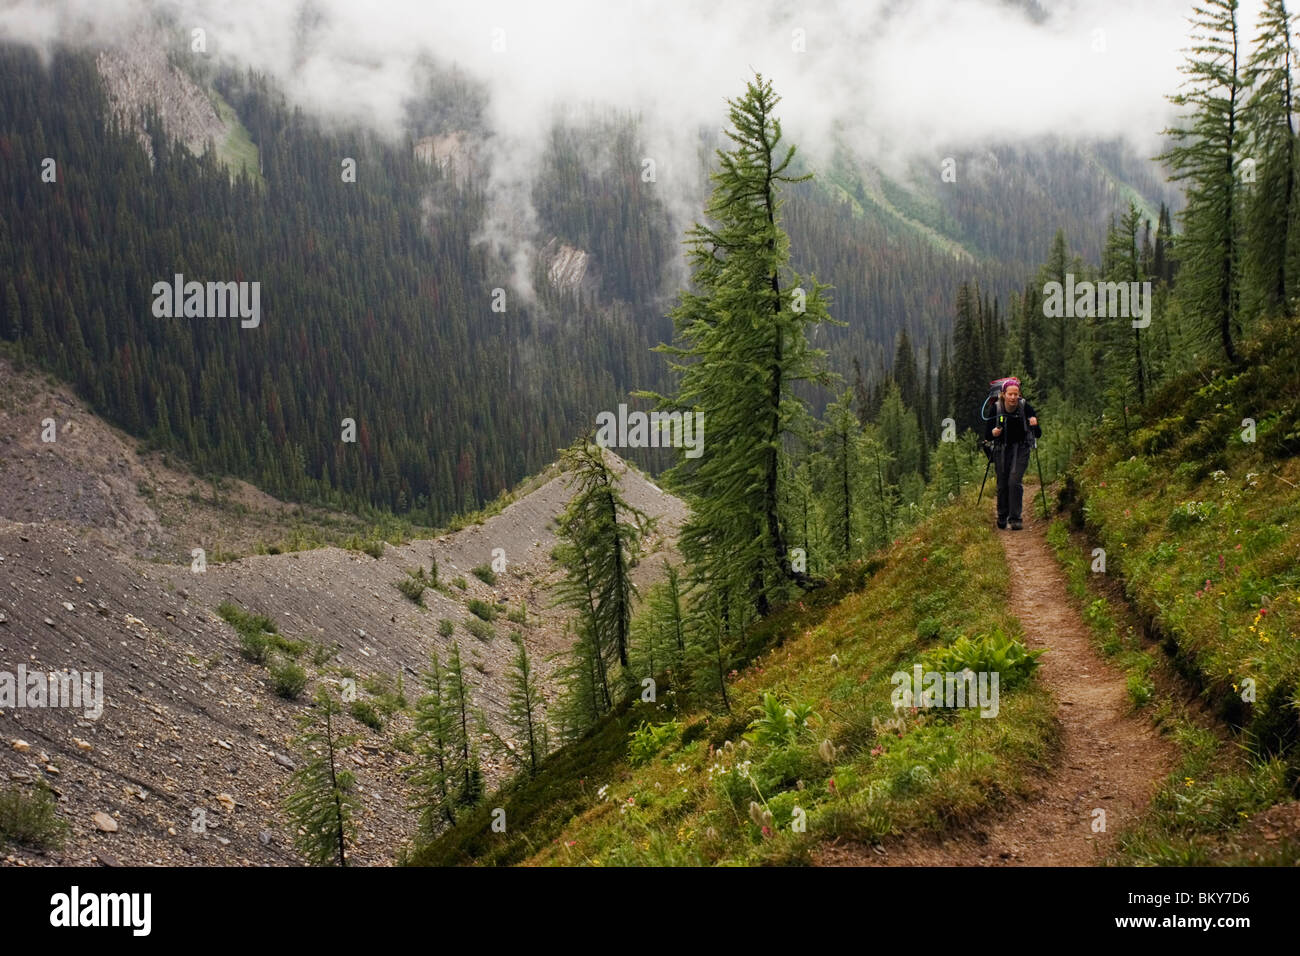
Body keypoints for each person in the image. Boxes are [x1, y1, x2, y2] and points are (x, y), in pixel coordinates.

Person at [982, 378, 1041, 530]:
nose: (1013, 397)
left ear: (1019, 394)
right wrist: (993, 433)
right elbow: (987, 436)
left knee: (1014, 481)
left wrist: (1035, 424)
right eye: (1010, 394)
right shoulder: (996, 409)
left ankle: (1015, 518)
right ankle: (1002, 516)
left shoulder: (1025, 407)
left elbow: (1038, 434)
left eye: (1016, 394)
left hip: (1021, 449)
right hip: (1001, 450)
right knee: (1002, 484)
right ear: (1003, 395)